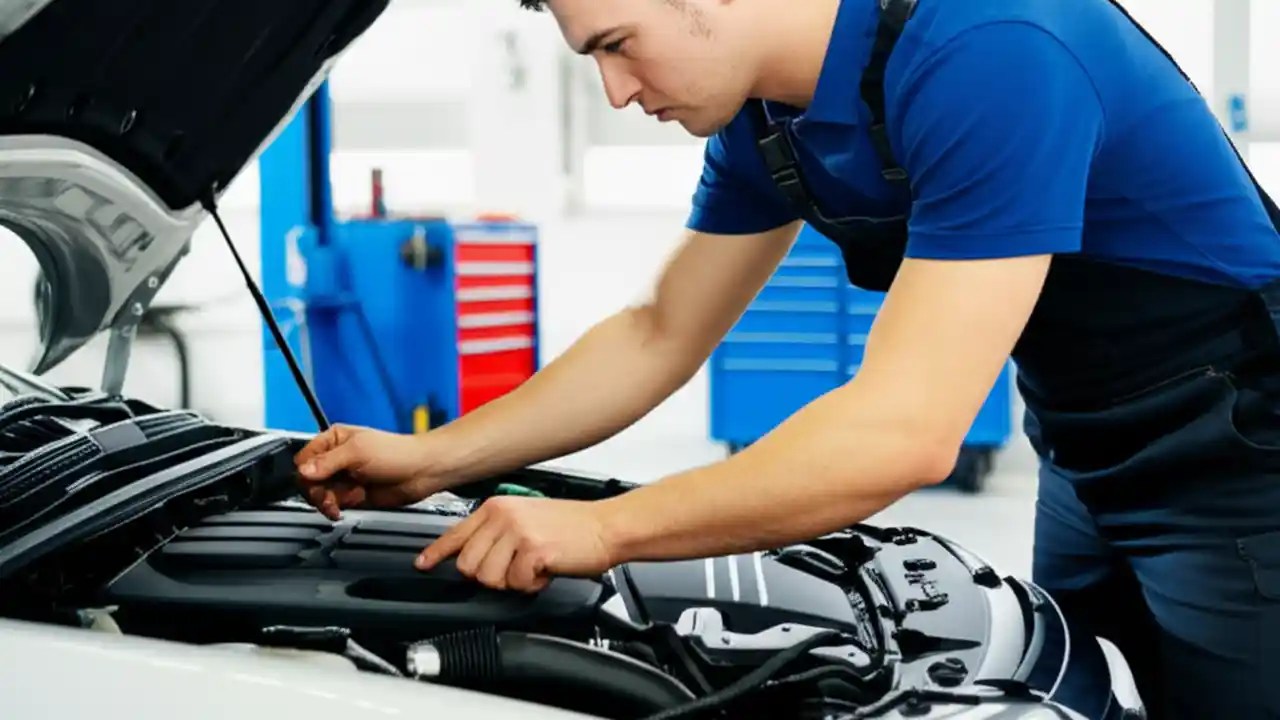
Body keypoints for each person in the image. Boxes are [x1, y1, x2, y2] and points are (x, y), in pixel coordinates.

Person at [294, 0, 1280, 716]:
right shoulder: (767, 122)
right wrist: (433, 459)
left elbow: (902, 435)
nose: (616, 90)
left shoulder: (989, 44)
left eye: (617, 46)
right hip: (1082, 446)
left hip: (1241, 456)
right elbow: (657, 331)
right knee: (1073, 698)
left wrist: (602, 529)